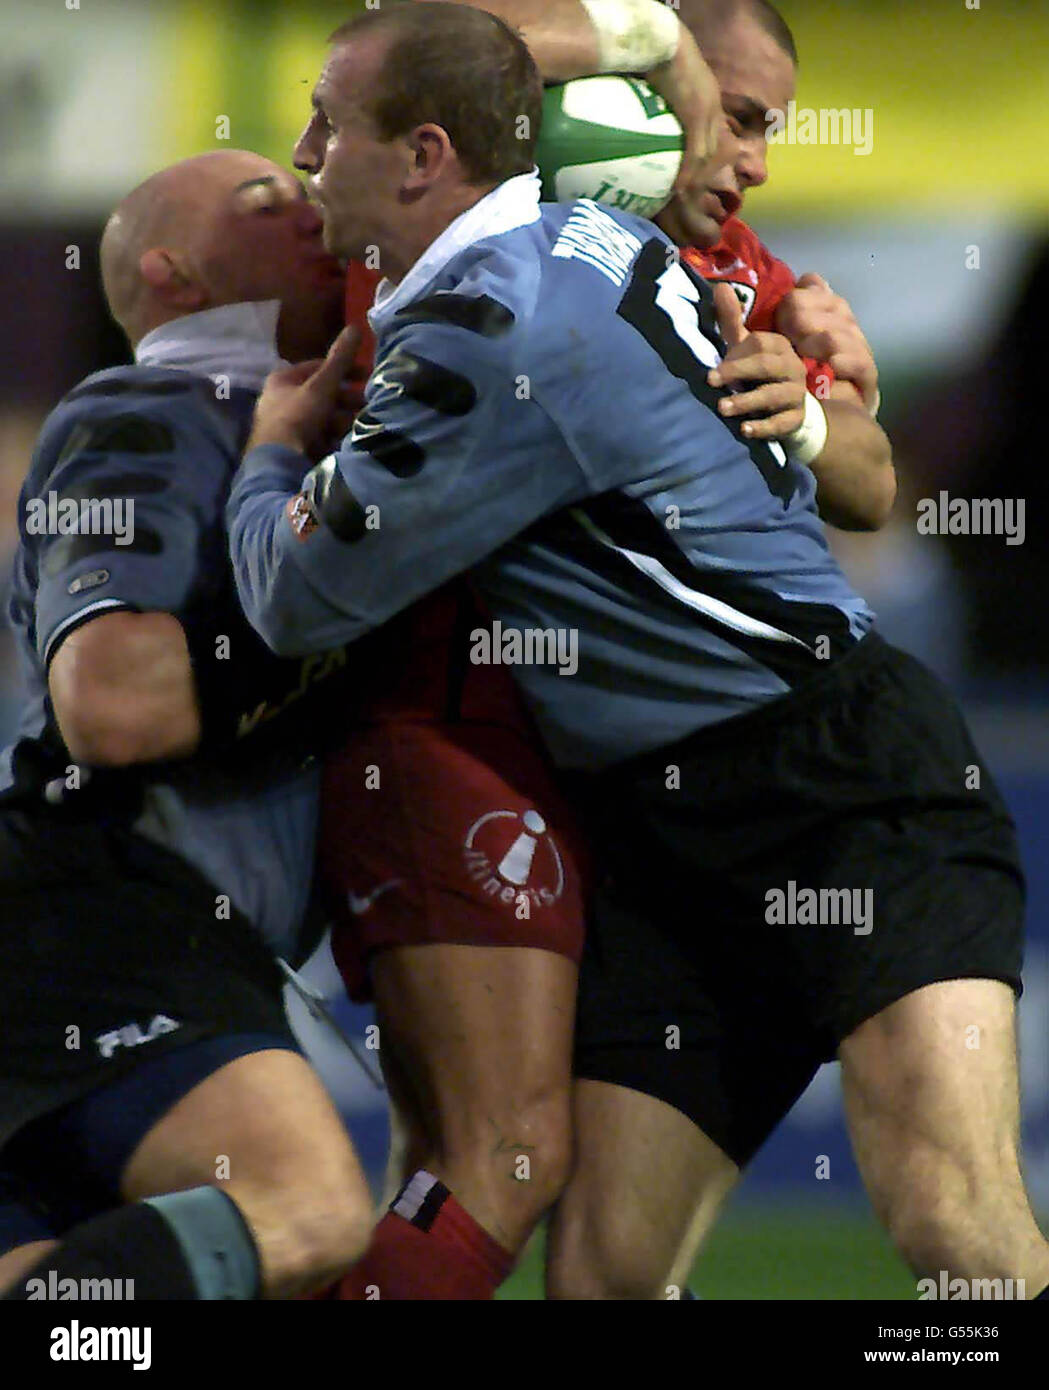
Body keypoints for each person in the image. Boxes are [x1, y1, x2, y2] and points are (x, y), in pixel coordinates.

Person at [227, 3, 1049, 1303]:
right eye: (734, 115)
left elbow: (287, 599)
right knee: (604, 1271)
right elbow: (486, 46)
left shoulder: (495, 326)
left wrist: (276, 448)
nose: (301, 147)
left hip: (842, 788)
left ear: (428, 154)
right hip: (666, 837)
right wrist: (617, 40)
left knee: (956, 1231)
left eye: (332, 124)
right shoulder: (594, 222)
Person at [316, 0, 893, 1299]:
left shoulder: (724, 264)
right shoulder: (465, 224)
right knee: (499, 1157)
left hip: (600, 760)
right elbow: (444, 37)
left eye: (767, 131)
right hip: (444, 717)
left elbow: (867, 483)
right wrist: (655, 37)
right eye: (733, 117)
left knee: (531, 1199)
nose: (745, 155)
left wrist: (831, 403)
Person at [0, 150, 373, 1300]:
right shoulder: (155, 406)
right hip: (99, 913)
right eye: (265, 202)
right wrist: (331, 607)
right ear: (171, 272)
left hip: (97, 935)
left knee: (84, 1301)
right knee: (305, 1210)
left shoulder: (295, 426)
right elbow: (114, 704)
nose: (310, 204)